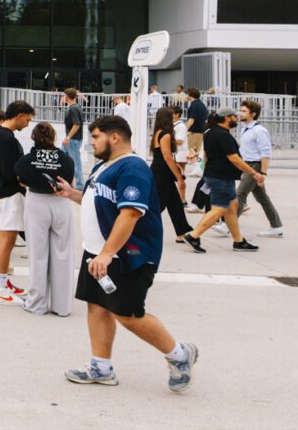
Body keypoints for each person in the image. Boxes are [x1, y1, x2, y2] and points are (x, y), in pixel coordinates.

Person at [55, 114, 197, 392]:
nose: (91, 143)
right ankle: (101, 367)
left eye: (96, 137)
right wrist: (72, 194)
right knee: (96, 306)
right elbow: (98, 197)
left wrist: (108, 254)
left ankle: (180, 355)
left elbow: (130, 214)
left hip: (126, 255)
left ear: (115, 137)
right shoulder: (105, 166)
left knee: (129, 313)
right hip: (98, 253)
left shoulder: (133, 168)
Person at [180, 107, 262, 254]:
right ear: (227, 118)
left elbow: (205, 156)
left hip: (216, 175)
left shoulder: (210, 132)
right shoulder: (223, 135)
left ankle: (238, 241)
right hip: (221, 177)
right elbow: (234, 158)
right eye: (234, 116)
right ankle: (193, 235)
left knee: (231, 207)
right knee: (219, 208)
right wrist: (254, 173)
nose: (237, 118)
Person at [15, 121, 75, 316]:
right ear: (53, 138)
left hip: (37, 202)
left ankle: (37, 303)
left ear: (33, 137)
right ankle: (62, 306)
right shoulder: (66, 159)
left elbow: (22, 180)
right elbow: (70, 182)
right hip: (61, 203)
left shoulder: (26, 160)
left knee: (38, 254)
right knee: (63, 253)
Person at [0, 101, 35, 304]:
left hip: (4, 192)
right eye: (28, 119)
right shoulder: (5, 137)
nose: (28, 123)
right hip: (9, 193)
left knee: (9, 238)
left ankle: (4, 283)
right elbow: (9, 170)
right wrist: (22, 182)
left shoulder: (0, 134)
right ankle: (1, 288)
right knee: (7, 238)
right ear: (19, 115)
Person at [235, 100, 284, 238]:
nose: (240, 113)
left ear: (253, 114)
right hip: (248, 165)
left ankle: (228, 224)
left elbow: (265, 153)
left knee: (240, 194)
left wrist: (263, 172)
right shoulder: (245, 128)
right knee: (262, 197)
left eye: (244, 111)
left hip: (255, 165)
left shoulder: (259, 130)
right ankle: (276, 226)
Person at [148, 108, 194, 244]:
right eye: (172, 115)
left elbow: (165, 157)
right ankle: (140, 226)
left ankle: (181, 232)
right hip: (162, 171)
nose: (174, 117)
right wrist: (179, 178)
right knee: (159, 204)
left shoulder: (157, 133)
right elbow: (167, 157)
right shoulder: (165, 135)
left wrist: (177, 166)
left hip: (159, 169)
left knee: (174, 203)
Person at [183, 87, 208, 211]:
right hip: (201, 130)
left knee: (192, 150)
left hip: (194, 131)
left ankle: (197, 168)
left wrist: (185, 129)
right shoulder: (202, 105)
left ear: (190, 94)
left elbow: (191, 119)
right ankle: (198, 168)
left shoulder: (193, 106)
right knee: (199, 151)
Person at [61, 88, 84, 163]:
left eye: (64, 96)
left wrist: (67, 138)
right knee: (61, 155)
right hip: (73, 139)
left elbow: (76, 124)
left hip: (73, 140)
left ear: (67, 97)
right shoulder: (76, 107)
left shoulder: (73, 109)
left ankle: (77, 175)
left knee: (75, 163)